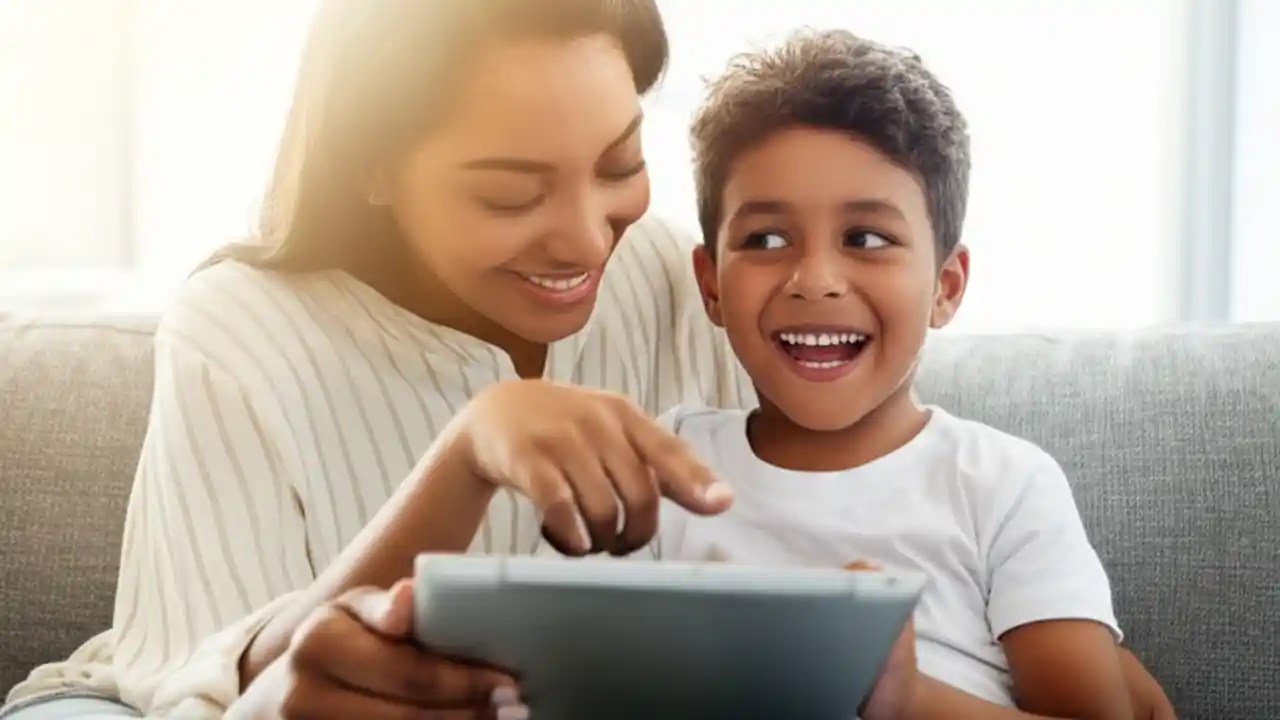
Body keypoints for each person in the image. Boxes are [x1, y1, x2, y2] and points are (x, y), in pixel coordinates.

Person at [1, 2, 1169, 719]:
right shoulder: (244, 331)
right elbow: (201, 685)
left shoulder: (668, 272)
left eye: (617, 164)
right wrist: (465, 455)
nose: (582, 241)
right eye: (510, 193)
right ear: (373, 168)